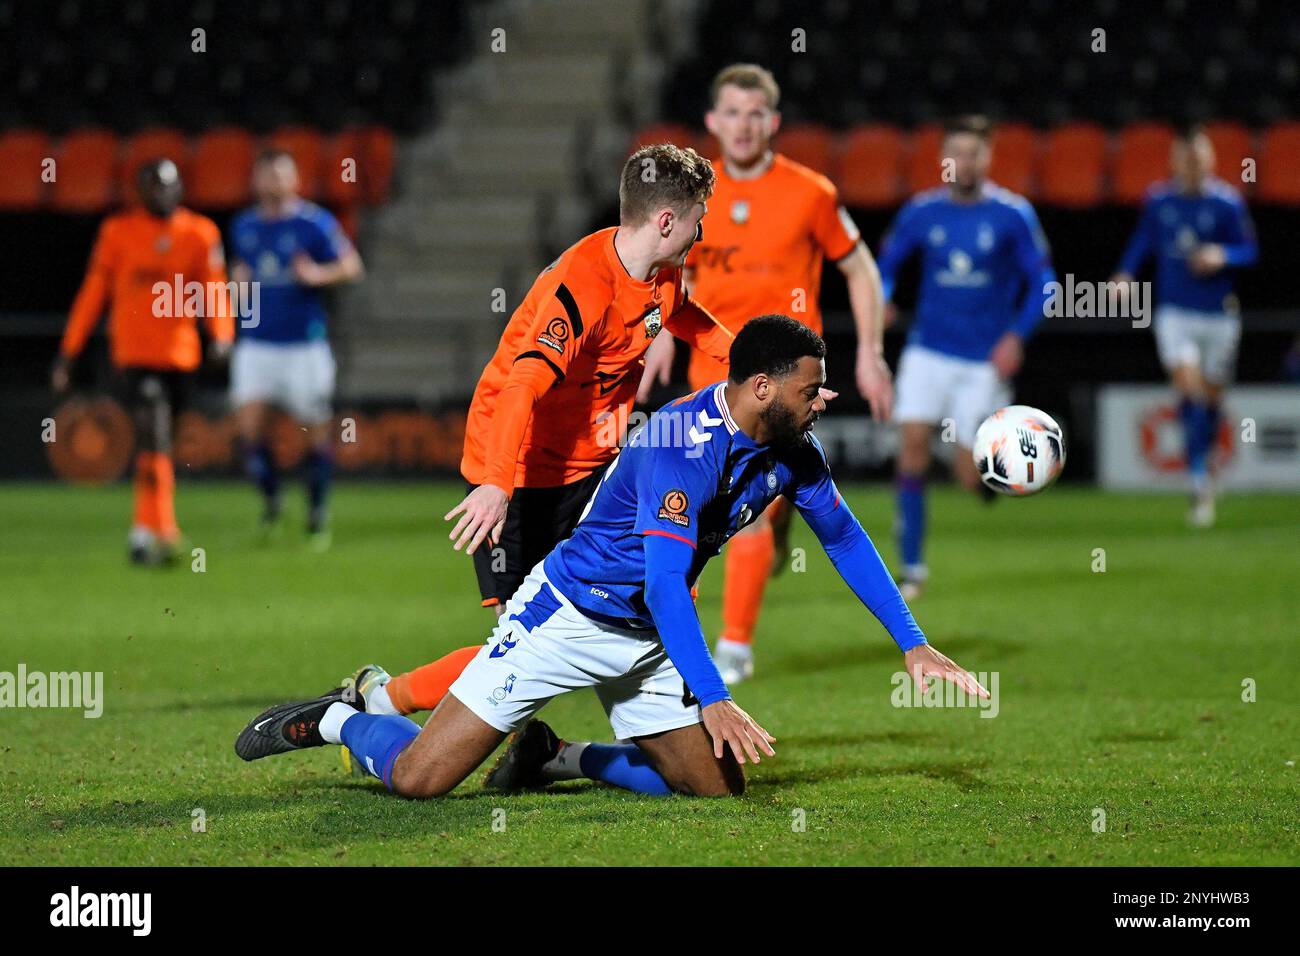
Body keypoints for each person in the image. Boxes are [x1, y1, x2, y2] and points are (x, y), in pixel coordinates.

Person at [235, 316, 987, 799]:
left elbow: (846, 540)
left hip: (648, 640)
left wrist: (912, 644)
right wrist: (713, 693)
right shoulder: (678, 446)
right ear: (762, 387)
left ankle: (556, 756)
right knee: (419, 781)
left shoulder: (793, 452)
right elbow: (665, 583)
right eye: (811, 389)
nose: (823, 402)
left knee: (715, 790)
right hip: (566, 616)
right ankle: (342, 717)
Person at [637, 62, 893, 685]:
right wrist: (662, 331)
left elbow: (860, 270)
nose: (744, 125)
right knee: (694, 515)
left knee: (746, 514)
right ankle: (674, 630)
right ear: (712, 121)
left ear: (773, 122)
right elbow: (675, 269)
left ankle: (733, 645)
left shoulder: (811, 192)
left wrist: (870, 351)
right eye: (733, 112)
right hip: (709, 374)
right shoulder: (698, 195)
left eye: (757, 113)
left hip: (780, 386)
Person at [447, 142, 733, 615]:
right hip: (516, 470)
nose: (700, 232)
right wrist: (497, 483)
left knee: (645, 595)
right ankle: (383, 694)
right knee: (521, 643)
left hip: (593, 465)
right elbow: (521, 387)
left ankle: (677, 676)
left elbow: (684, 316)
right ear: (665, 222)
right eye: (696, 219)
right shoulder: (582, 290)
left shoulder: (661, 271)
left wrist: (755, 360)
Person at [876, 115, 1056, 599]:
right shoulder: (922, 212)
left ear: (987, 158)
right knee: (911, 445)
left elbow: (1045, 283)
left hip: (982, 360)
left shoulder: (1012, 214)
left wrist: (1016, 336)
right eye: (955, 152)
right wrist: (885, 296)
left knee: (966, 473)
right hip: (928, 350)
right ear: (943, 159)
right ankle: (911, 567)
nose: (963, 162)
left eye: (973, 153)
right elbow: (886, 266)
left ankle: (991, 481)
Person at [52, 159, 233, 564]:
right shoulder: (118, 232)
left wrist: (222, 335)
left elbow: (214, 290)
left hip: (181, 357)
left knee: (159, 445)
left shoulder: (200, 233)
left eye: (167, 186)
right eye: (152, 187)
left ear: (180, 189)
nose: (160, 194)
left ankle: (140, 530)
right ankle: (165, 530)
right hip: (133, 357)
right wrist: (69, 350)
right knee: (155, 427)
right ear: (141, 192)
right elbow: (92, 294)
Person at [1111, 123, 1258, 527]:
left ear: (1209, 160)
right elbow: (1143, 240)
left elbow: (1251, 250)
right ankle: (1197, 482)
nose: (1191, 166)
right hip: (1175, 313)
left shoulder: (1227, 203)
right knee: (1189, 389)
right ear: (1174, 161)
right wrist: (1125, 273)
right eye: (1185, 158)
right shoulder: (1159, 201)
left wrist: (1222, 255)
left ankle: (1205, 464)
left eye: (1197, 158)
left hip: (1220, 315)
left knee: (1210, 400)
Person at [228, 149, 364, 548]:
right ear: (256, 181)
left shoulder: (314, 223)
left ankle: (316, 511)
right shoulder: (244, 225)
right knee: (249, 430)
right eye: (266, 174)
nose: (273, 182)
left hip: (304, 345)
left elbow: (352, 265)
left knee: (313, 433)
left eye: (280, 175)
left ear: (295, 180)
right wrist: (237, 285)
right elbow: (241, 276)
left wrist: (317, 274)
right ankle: (272, 504)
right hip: (256, 344)